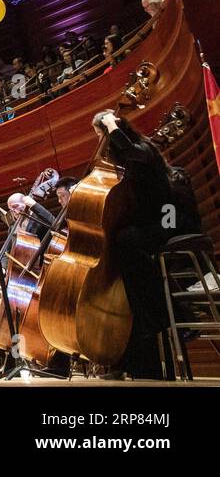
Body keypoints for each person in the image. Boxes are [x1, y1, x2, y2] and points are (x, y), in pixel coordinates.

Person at [93, 110, 181, 379]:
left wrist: (110, 126)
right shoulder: (130, 162)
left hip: (164, 226)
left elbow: (131, 152)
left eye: (100, 137)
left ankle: (165, 319)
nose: (101, 144)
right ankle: (131, 357)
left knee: (125, 245)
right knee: (125, 255)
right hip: (146, 228)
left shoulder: (143, 150)